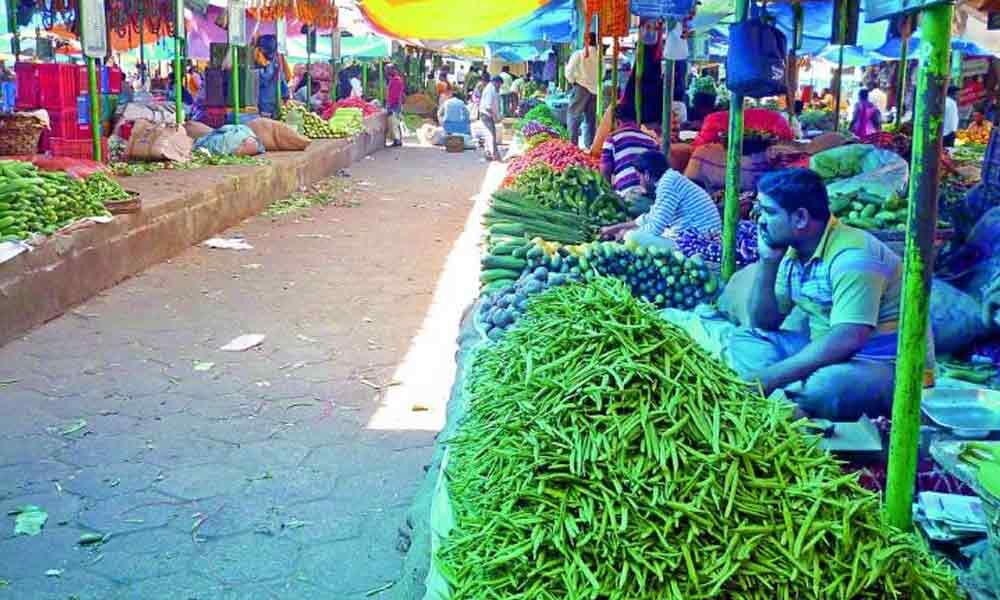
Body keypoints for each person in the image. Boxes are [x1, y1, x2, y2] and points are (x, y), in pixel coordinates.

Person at [723, 168, 912, 420]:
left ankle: (798, 400)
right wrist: (768, 263)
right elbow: (764, 322)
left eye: (769, 212)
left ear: (800, 218)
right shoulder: (792, 251)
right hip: (825, 349)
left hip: (879, 363)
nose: (759, 219)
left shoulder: (853, 256)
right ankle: (795, 400)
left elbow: (848, 337)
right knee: (746, 338)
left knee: (825, 386)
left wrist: (770, 377)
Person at [600, 150, 721, 245]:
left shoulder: (668, 184)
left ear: (647, 175)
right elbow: (650, 218)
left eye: (639, 177)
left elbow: (655, 228)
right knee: (632, 234)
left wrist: (626, 233)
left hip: (699, 243)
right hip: (696, 236)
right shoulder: (670, 179)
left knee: (632, 237)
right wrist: (615, 228)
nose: (640, 182)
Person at [600, 104, 660, 196]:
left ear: (617, 121)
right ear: (636, 120)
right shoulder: (651, 141)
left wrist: (607, 194)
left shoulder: (612, 139)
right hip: (651, 195)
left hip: (626, 194)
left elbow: (605, 171)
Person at [565, 33, 600, 147]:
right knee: (591, 120)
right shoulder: (599, 55)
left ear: (587, 40)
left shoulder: (579, 54)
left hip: (580, 87)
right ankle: (590, 146)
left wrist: (573, 81)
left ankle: (572, 145)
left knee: (574, 116)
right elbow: (603, 73)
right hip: (595, 90)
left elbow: (569, 71)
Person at [479, 74, 502, 160]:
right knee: (490, 135)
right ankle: (493, 155)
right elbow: (488, 107)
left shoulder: (492, 89)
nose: (499, 87)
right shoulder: (490, 90)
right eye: (499, 85)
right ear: (496, 82)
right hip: (486, 114)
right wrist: (495, 116)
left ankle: (489, 154)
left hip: (488, 115)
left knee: (490, 134)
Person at [386, 65, 406, 147]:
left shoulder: (396, 80)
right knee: (395, 122)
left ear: (393, 70)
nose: (386, 72)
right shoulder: (395, 80)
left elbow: (395, 95)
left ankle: (397, 140)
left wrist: (390, 105)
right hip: (396, 104)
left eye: (388, 70)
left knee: (394, 122)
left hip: (395, 104)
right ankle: (397, 139)